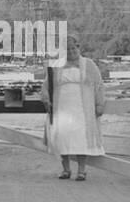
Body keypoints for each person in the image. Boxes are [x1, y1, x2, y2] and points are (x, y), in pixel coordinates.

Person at [44, 35, 106, 180]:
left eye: (73, 48)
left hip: (83, 109)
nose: (71, 51)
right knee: (62, 138)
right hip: (61, 108)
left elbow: (99, 85)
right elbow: (46, 85)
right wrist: (46, 99)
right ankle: (66, 169)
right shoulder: (55, 65)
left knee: (81, 138)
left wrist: (99, 104)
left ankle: (82, 170)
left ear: (78, 48)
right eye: (67, 49)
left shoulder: (89, 64)